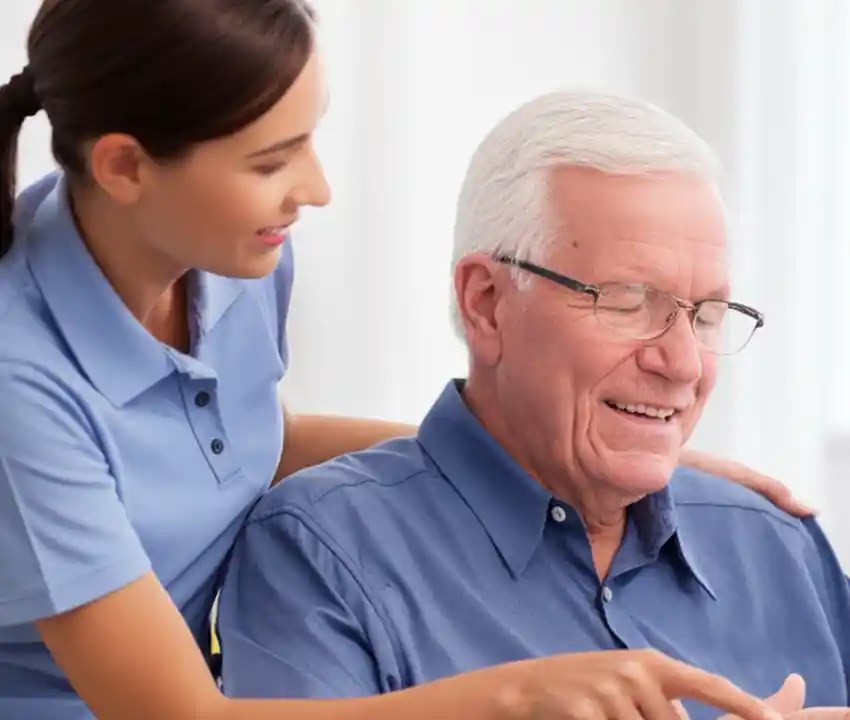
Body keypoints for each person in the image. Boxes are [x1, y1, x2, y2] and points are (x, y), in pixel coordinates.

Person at [0, 2, 807, 719]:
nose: (315, 188)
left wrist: (577, 450)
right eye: (270, 161)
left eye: (310, 137)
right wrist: (521, 692)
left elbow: (248, 444)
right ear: (125, 167)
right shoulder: (19, 386)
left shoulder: (230, 256)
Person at [215, 91, 850, 719]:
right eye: (627, 301)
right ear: (487, 303)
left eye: (706, 314)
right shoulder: (320, 551)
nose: (681, 364)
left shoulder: (771, 540)